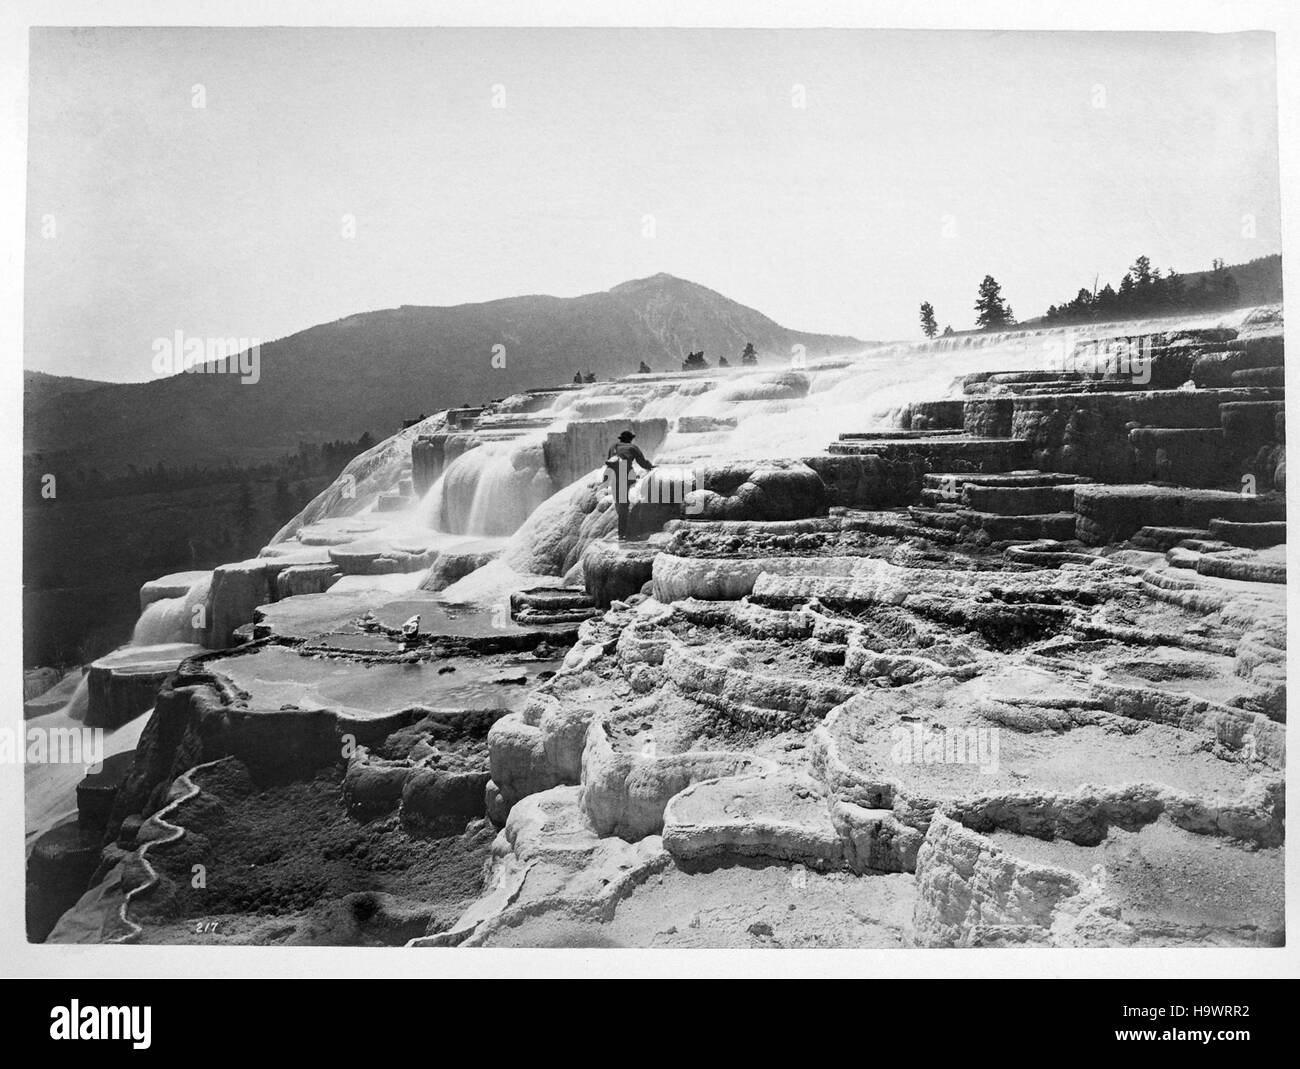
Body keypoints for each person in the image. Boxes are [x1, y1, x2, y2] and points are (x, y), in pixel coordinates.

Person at [604, 430, 655, 540]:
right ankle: (623, 533)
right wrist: (651, 467)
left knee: (619, 502)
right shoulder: (632, 447)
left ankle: (622, 530)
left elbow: (609, 461)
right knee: (624, 505)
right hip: (624, 475)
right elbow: (642, 462)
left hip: (612, 475)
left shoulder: (613, 446)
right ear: (630, 439)